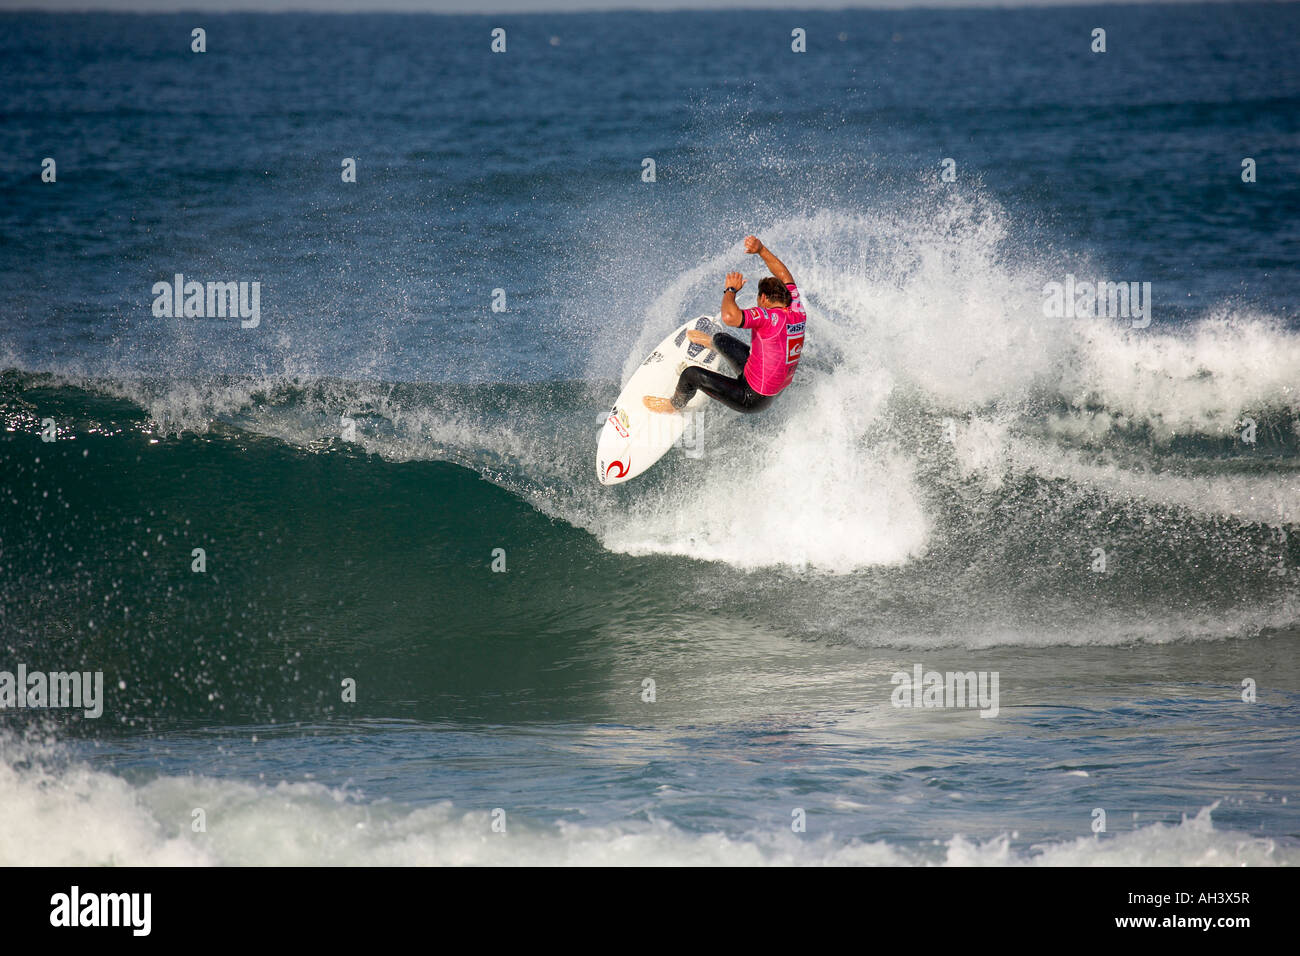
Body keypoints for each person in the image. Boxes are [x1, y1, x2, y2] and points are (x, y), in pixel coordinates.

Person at [643, 235, 805, 415]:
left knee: (691, 374)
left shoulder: (767, 317)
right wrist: (761, 250)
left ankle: (674, 405)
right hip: (771, 386)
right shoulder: (796, 306)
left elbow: (729, 317)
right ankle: (712, 344)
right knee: (721, 339)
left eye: (758, 299)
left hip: (752, 397)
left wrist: (731, 290)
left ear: (764, 298)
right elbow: (784, 274)